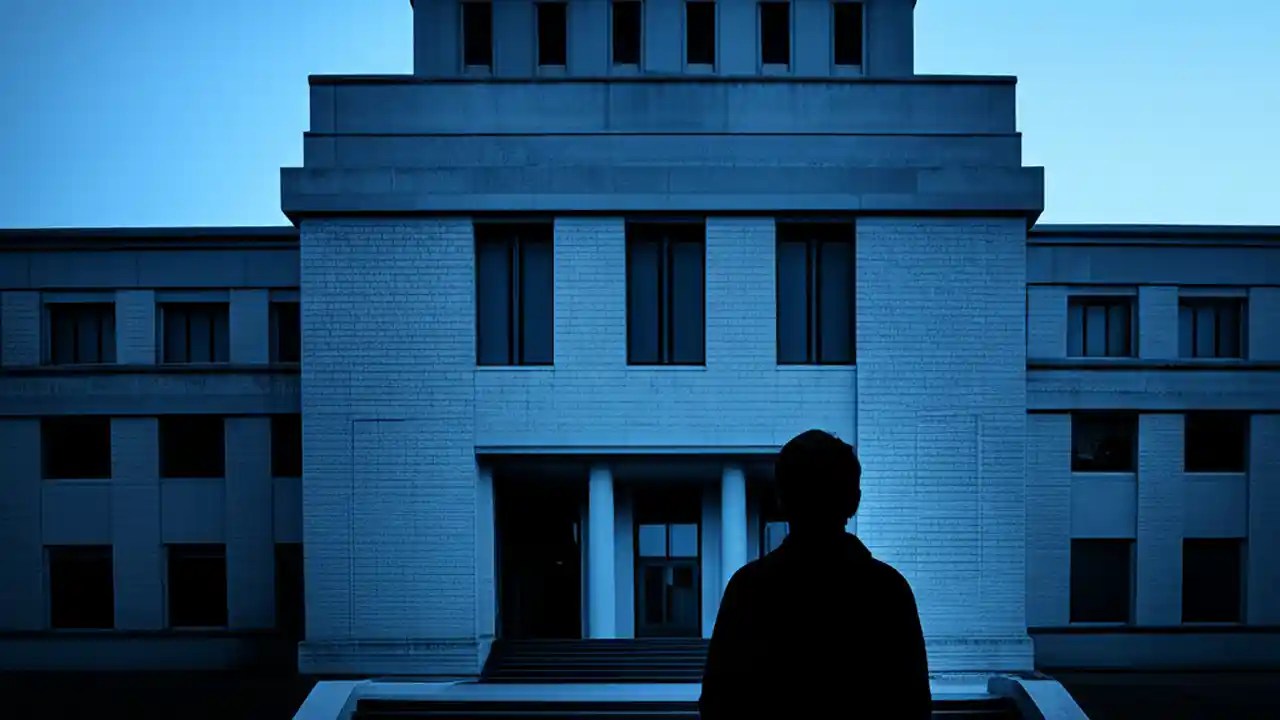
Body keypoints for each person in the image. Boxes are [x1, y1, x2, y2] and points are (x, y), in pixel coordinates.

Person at [699, 429, 931, 719]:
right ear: (854, 501)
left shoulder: (748, 590)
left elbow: (717, 704)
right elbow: (914, 705)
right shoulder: (888, 591)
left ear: (782, 499)